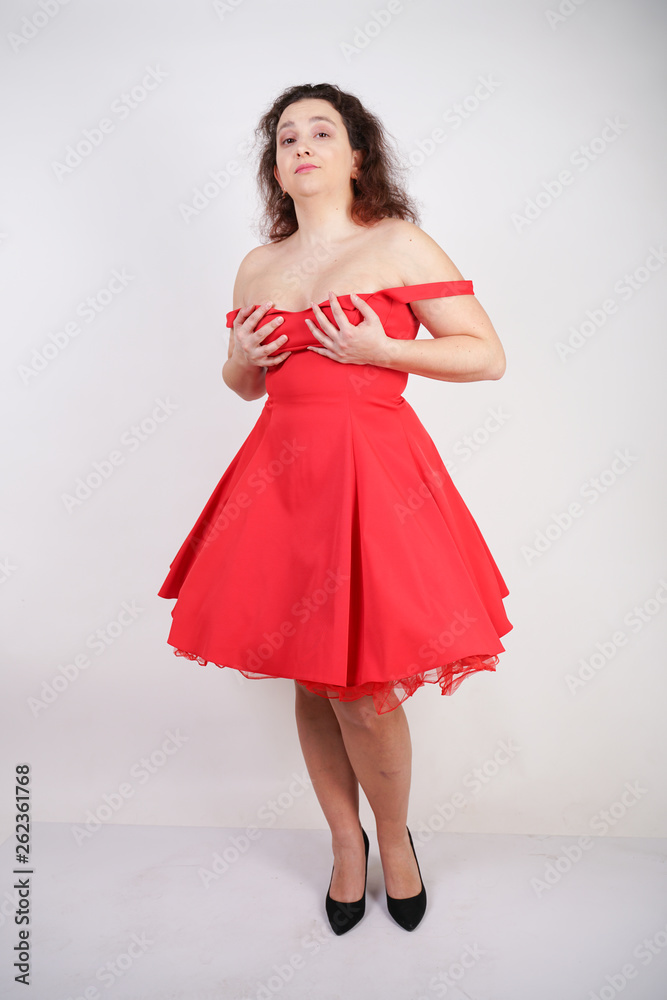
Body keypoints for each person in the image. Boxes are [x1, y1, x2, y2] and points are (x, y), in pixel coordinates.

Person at [158, 82, 513, 934]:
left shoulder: (396, 242)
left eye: (322, 132)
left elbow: (486, 354)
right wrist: (239, 355)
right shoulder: (259, 266)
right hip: (280, 480)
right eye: (286, 137)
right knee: (313, 681)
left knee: (363, 689)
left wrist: (381, 348)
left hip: (373, 477)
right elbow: (246, 385)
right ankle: (344, 845)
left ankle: (394, 842)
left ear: (357, 156)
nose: (302, 145)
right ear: (276, 168)